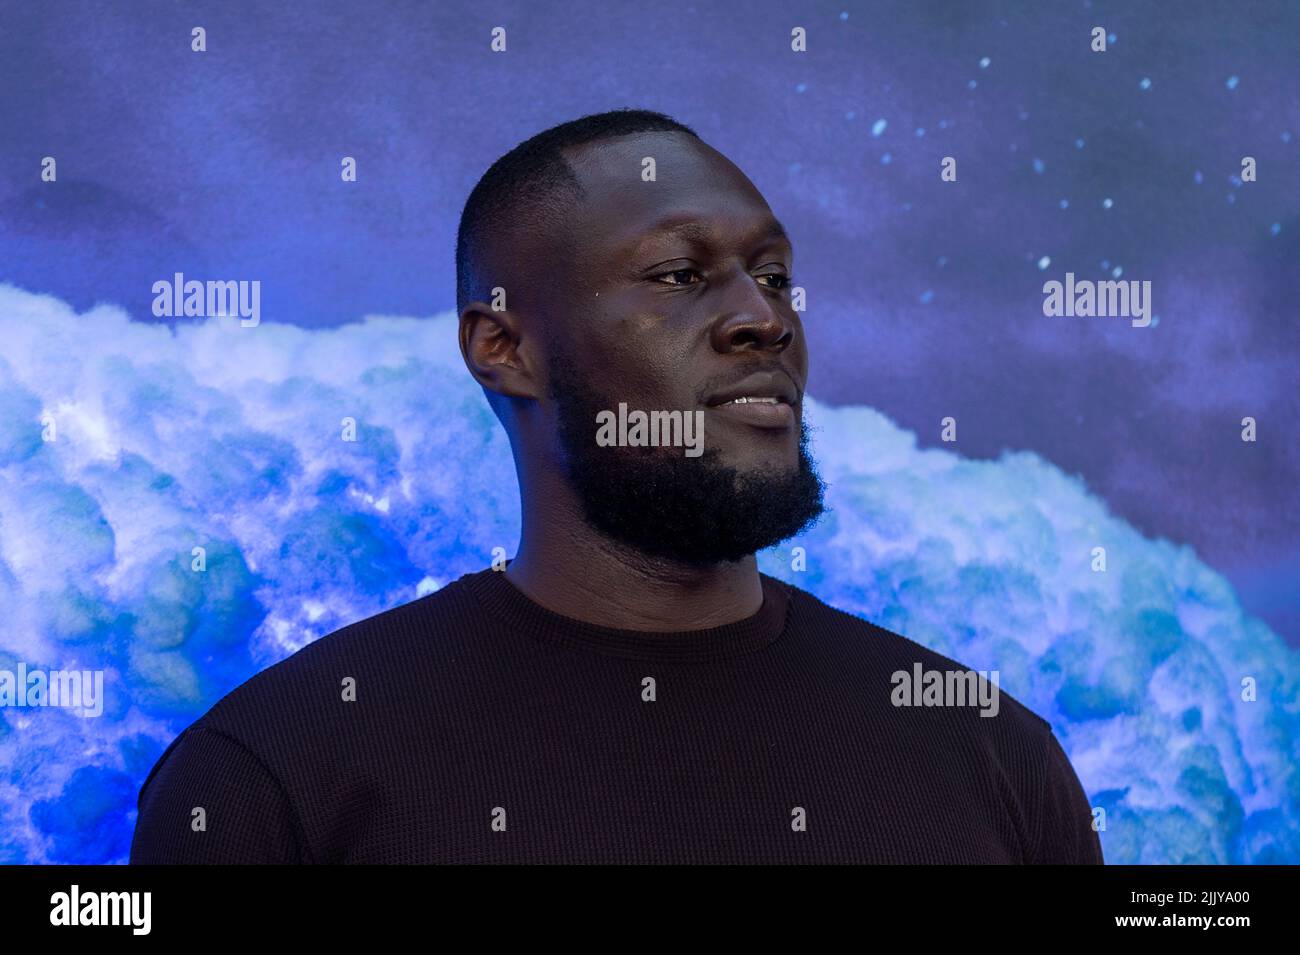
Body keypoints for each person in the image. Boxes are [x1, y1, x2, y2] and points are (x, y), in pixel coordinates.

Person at [130, 108, 1103, 864]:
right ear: (503, 345)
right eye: (681, 276)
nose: (763, 318)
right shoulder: (273, 774)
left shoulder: (987, 751)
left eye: (773, 274)